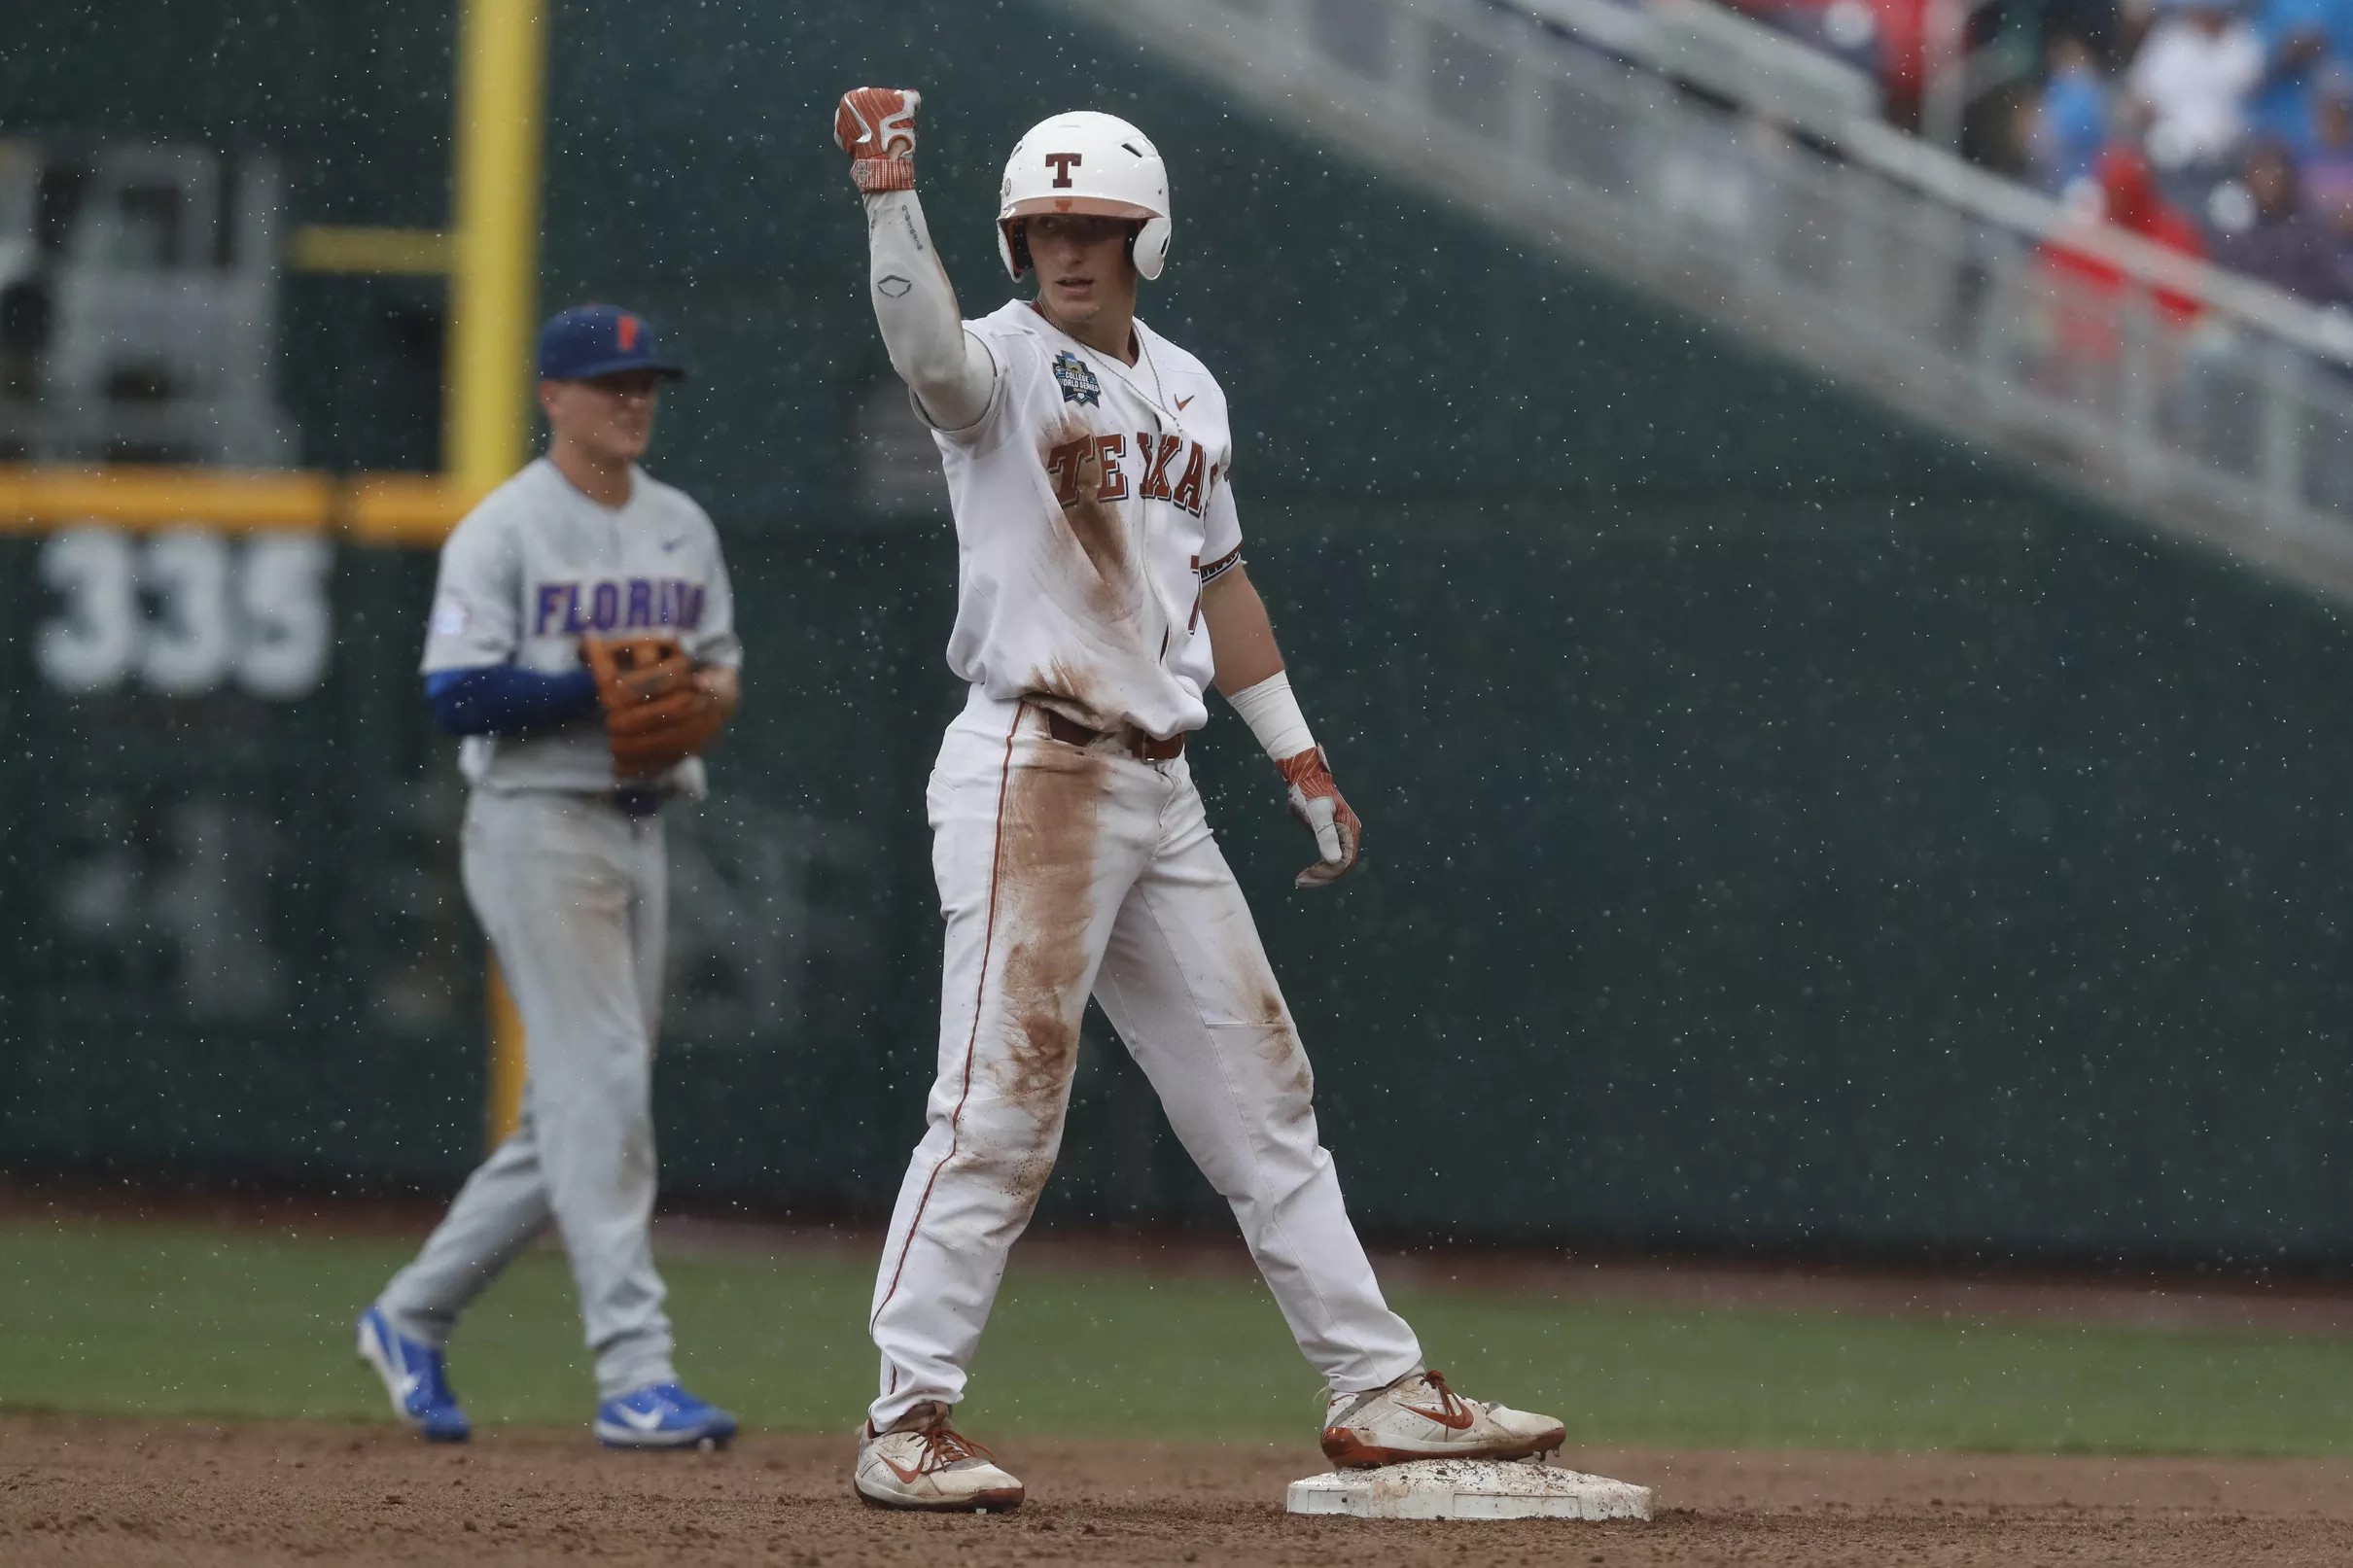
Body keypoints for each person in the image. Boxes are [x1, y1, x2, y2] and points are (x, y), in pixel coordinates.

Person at [829, 87, 1566, 1514]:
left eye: (1095, 227)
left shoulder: (1193, 387)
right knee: (997, 1110)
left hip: (1160, 788)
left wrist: (1296, 754)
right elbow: (922, 351)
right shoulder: (998, 360)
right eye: (1043, 228)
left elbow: (1219, 582)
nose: (1069, 252)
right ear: (1010, 239)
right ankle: (905, 1416)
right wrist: (886, 197)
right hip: (1034, 764)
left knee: (1264, 1101)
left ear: (1147, 235)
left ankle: (1376, 1386)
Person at [354, 303, 743, 1450]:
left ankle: (410, 1313)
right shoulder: (505, 529)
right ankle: (635, 1371)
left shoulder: (681, 525)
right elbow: (454, 695)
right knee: (605, 1085)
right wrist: (595, 683)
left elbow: (715, 675)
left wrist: (692, 701)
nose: (632, 399)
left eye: (645, 381)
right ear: (553, 397)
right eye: (609, 380)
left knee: (575, 1105)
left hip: (644, 821)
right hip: (533, 822)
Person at [2210, 135, 2353, 300]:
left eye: (2273, 171)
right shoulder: (2234, 229)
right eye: (2261, 171)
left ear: (2289, 177)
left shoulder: (2313, 231)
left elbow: (2333, 284)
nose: (2268, 181)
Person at [2030, 34, 2114, 194]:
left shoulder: (2088, 92)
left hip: (2082, 180)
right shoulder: (2057, 86)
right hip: (2049, 176)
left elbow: (2065, 135)